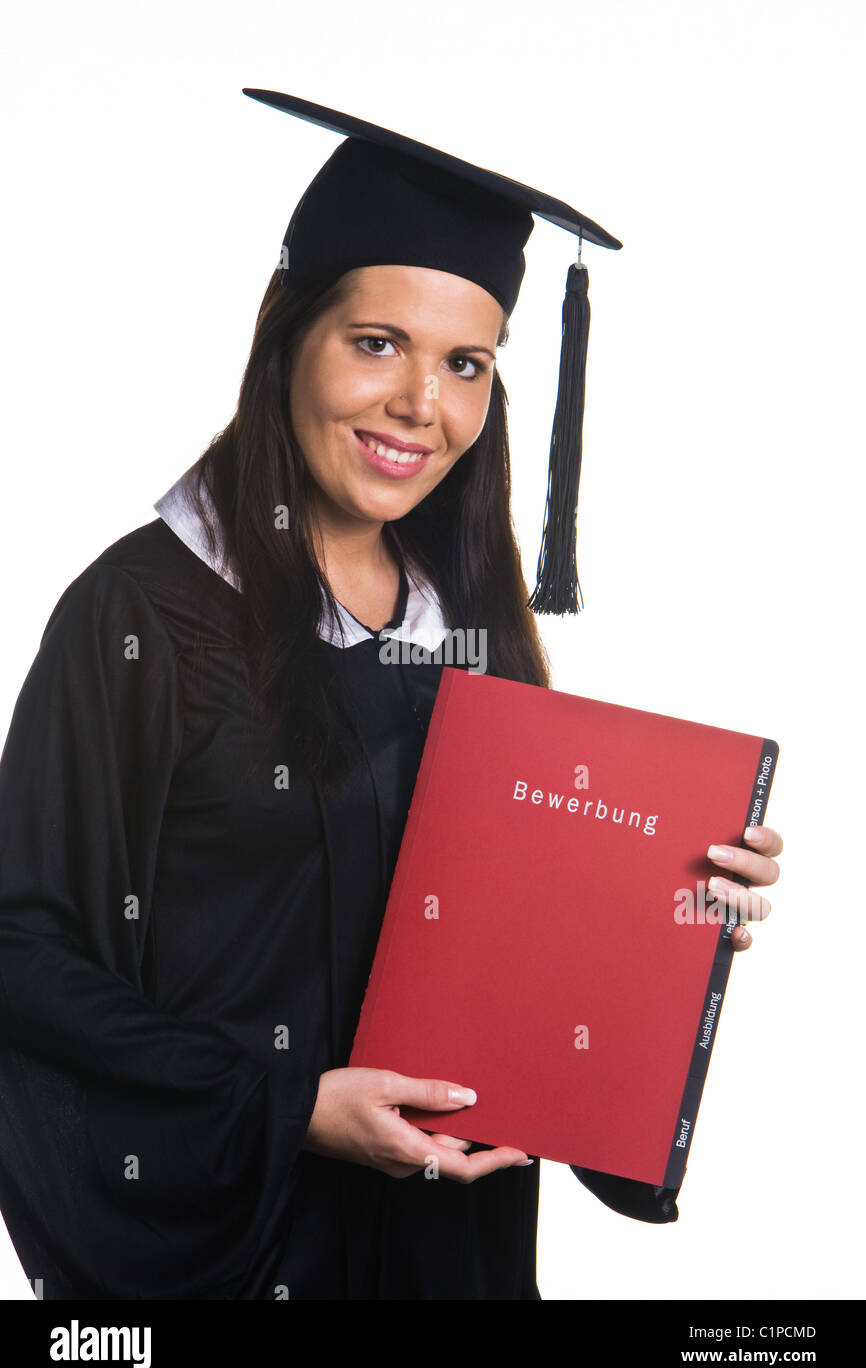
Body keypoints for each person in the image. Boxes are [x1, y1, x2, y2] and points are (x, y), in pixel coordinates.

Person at [0, 91, 783, 1300]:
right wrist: (284, 1107)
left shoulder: (466, 625)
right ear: (287, 339)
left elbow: (522, 943)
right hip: (245, 1250)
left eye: (464, 363)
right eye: (378, 343)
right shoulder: (141, 615)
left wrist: (677, 917)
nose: (422, 404)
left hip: (449, 1253)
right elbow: (22, 946)